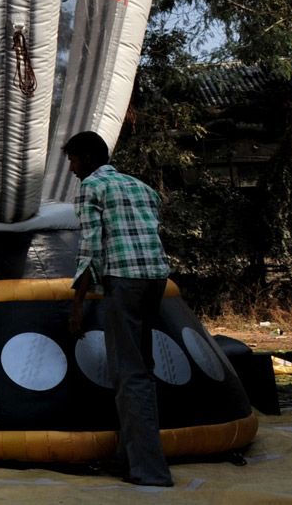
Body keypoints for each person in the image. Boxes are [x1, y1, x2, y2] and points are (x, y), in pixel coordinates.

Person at [64, 130, 174, 488]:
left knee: (129, 374)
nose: (70, 169)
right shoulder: (142, 187)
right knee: (141, 366)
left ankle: (149, 471)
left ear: (89, 159)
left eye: (73, 160)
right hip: (155, 279)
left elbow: (90, 248)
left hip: (123, 280)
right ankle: (129, 455)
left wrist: (77, 306)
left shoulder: (92, 188)